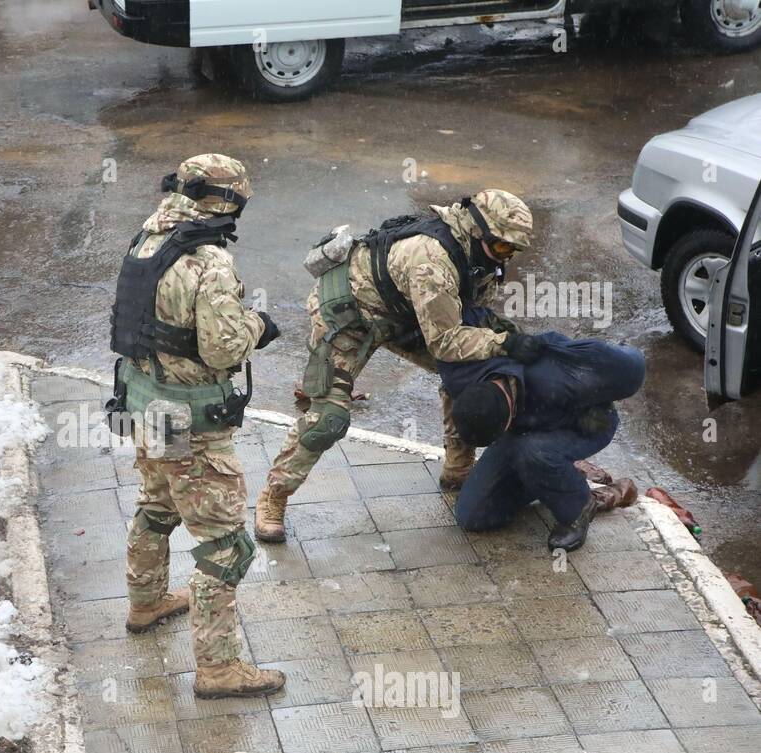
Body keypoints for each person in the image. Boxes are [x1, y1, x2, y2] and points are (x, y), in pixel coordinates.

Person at [255, 190, 545, 543]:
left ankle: (458, 466)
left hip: (405, 315)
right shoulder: (431, 262)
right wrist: (505, 342)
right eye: (501, 247)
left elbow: (470, 323)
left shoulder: (481, 257)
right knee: (328, 418)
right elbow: (446, 342)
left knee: (475, 369)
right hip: (349, 312)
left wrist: (500, 341)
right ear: (478, 230)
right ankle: (274, 497)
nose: (506, 256)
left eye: (512, 250)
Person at [109, 154, 285, 699]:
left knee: (157, 506)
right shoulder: (209, 262)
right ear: (226, 202)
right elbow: (223, 346)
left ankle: (146, 603)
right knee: (225, 545)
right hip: (191, 420)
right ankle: (218, 669)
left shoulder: (147, 239)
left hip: (145, 406)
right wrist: (260, 323)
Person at [441, 308, 647, 551]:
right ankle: (551, 478)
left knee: (534, 452)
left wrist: (594, 404)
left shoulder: (560, 373)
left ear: (505, 424)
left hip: (581, 424)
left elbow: (634, 368)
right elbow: (462, 316)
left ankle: (578, 507)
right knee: (472, 515)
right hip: (523, 430)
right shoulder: (462, 376)